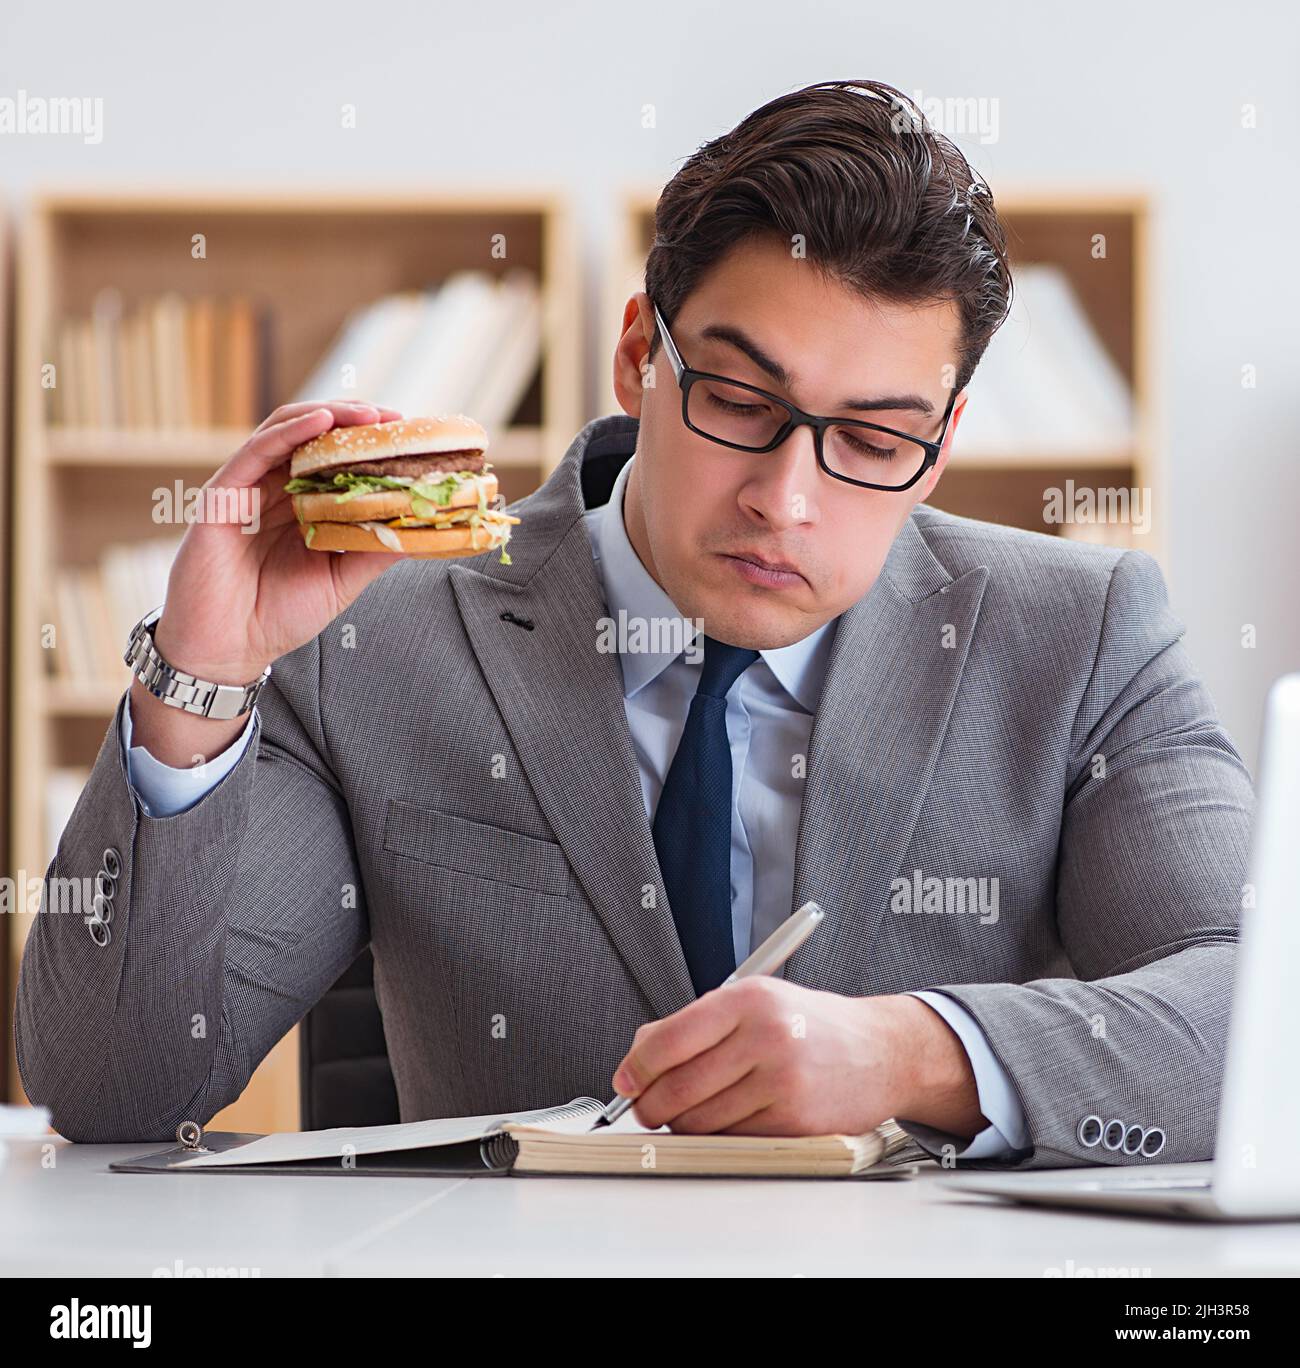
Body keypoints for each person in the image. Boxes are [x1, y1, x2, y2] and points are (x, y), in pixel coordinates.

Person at [16, 79, 1252, 1167]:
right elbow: (117, 1094)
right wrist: (197, 680)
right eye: (735, 397)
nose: (787, 497)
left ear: (938, 454)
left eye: (873, 440)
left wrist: (917, 1053)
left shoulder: (1080, 635)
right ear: (635, 360)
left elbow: (1258, 1018)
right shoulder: (370, 646)